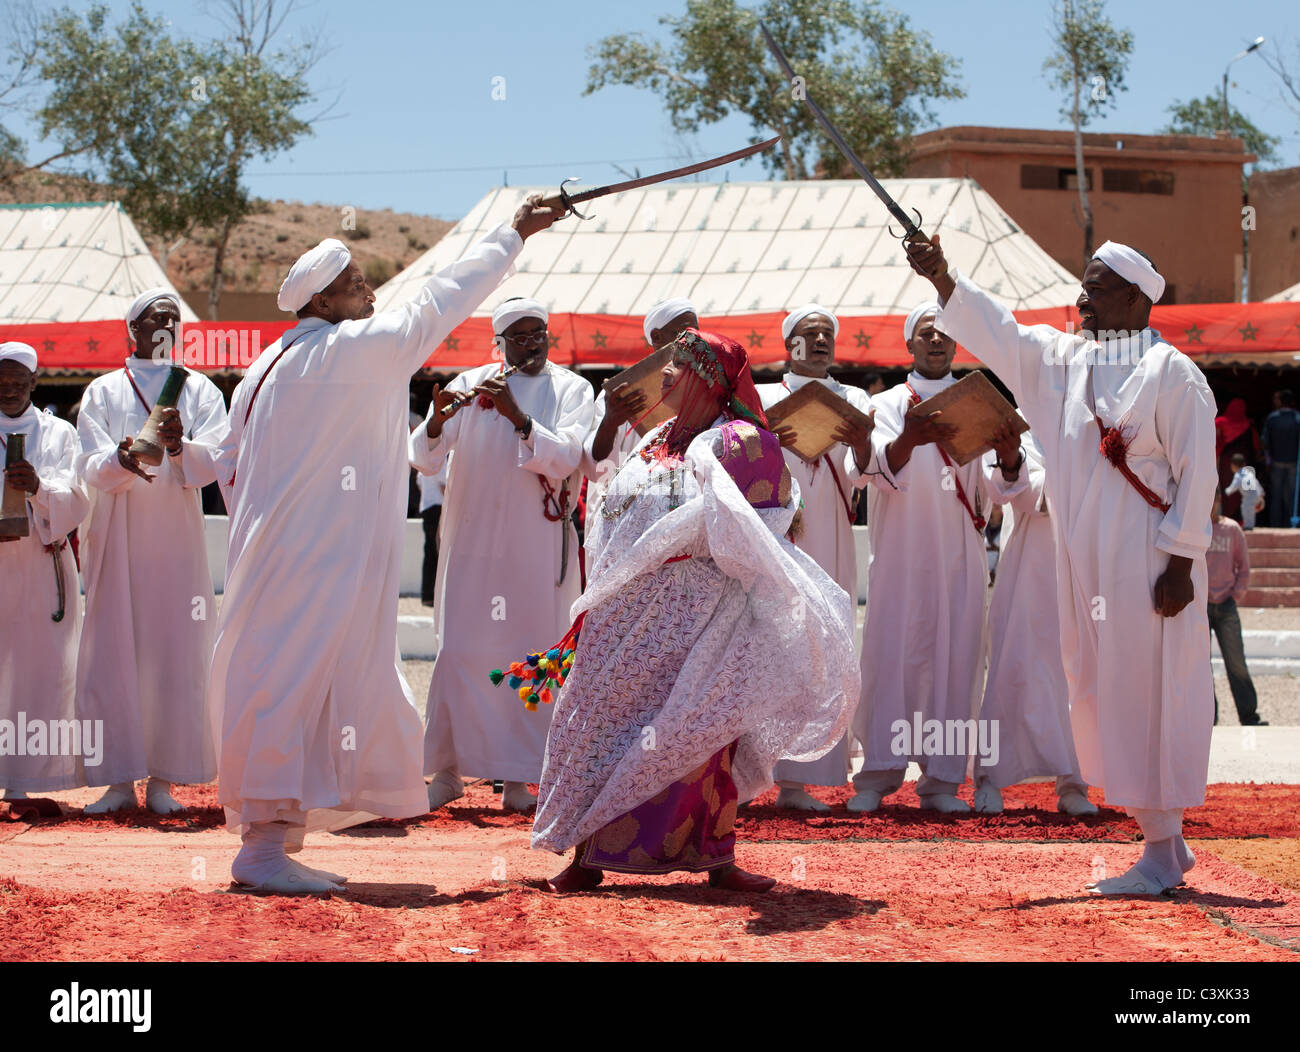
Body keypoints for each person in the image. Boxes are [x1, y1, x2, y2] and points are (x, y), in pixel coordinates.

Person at [210, 196, 558, 894]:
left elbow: (227, 466)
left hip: (276, 553)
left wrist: (273, 519)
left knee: (294, 682)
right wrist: (513, 232)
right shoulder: (351, 348)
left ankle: (274, 839)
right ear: (326, 301)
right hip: (309, 557)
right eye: (357, 283)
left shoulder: (262, 369)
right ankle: (261, 852)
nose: (371, 291)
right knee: (288, 685)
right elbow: (439, 298)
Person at [905, 235, 1216, 895]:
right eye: (1085, 283)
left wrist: (1183, 564)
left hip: (1150, 564)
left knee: (1150, 695)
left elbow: (1198, 475)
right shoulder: (1066, 360)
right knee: (1106, 691)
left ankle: (1159, 854)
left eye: (1098, 286)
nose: (1083, 298)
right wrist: (943, 279)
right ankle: (1167, 840)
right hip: (1086, 563)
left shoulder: (1173, 372)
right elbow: (1003, 332)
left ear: (1135, 297)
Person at [533, 329, 858, 892]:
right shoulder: (652, 438)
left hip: (702, 609)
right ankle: (589, 857)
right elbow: (608, 517)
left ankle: (714, 857)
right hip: (627, 612)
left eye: (676, 366)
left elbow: (775, 521)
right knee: (607, 724)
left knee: (698, 730)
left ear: (706, 379)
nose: (661, 375)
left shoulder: (738, 440)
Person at [414, 297, 595, 814]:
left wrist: (517, 415)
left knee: (532, 657)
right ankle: (447, 771)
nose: (533, 342)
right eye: (520, 335)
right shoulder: (469, 384)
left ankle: (520, 780)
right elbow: (424, 460)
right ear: (500, 344)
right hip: (472, 543)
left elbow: (566, 459)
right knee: (462, 651)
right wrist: (433, 423)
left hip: (537, 549)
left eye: (539, 332)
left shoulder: (572, 389)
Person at [846, 303, 1025, 815]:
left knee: (956, 660)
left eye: (946, 334)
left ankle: (942, 780)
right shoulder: (883, 407)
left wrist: (1010, 456)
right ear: (910, 344)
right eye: (927, 334)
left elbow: (1000, 486)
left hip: (959, 558)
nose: (938, 341)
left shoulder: (979, 402)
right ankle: (878, 774)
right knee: (889, 657)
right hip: (900, 557)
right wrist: (910, 438)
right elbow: (871, 473)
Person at [74, 290, 229, 815]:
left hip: (176, 544)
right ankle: (118, 781)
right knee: (114, 652)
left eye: (173, 318)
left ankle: (165, 780)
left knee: (172, 653)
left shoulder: (200, 389)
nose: (166, 324)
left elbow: (216, 464)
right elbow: (88, 466)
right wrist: (119, 458)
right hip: (117, 536)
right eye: (155, 318)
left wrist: (183, 446)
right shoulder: (103, 390)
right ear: (132, 329)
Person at [755, 303, 874, 811]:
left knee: (825, 647)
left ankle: (802, 781)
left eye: (828, 333)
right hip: (776, 536)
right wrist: (764, 441)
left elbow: (864, 475)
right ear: (789, 344)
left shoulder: (856, 398)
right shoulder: (761, 398)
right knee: (771, 647)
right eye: (810, 333)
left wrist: (864, 442)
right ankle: (753, 774)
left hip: (829, 537)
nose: (821, 340)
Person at [974, 425, 1097, 816]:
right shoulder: (1016, 422)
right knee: (1014, 670)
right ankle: (988, 778)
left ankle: (1074, 784)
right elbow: (1012, 494)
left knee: (1078, 676)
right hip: (1029, 570)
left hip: (1082, 568)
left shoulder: (1094, 420)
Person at [0, 343, 90, 801]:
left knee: (40, 671)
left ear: (35, 382)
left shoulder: (59, 432)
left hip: (40, 565)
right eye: (2, 379)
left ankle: (26, 783)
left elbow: (77, 499)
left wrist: (38, 488)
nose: (9, 387)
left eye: (19, 380)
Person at [583, 298, 698, 525]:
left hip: (683, 512)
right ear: (656, 337)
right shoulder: (621, 391)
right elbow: (596, 468)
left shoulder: (704, 387)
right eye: (684, 332)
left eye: (696, 332)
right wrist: (610, 421)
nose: (692, 339)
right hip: (626, 513)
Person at [1207, 490, 1266, 726]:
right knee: (1201, 667)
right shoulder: (1196, 530)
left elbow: (1243, 566)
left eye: (1212, 498)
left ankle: (1248, 714)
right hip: (1200, 606)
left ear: (1219, 500)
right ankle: (1208, 718)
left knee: (1236, 662)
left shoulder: (1231, 529)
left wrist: (1235, 595)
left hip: (1226, 607)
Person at [1214, 398, 1258, 524]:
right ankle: (1241, 519)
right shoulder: (1249, 425)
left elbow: (1213, 440)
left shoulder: (1220, 422)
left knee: (1226, 487)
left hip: (1225, 463)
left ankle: (1226, 516)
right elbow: (1256, 446)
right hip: (1243, 463)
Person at [1261, 389, 1299, 527]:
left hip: (1276, 462)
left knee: (1276, 495)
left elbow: (1265, 441)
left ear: (1280, 401)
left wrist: (1268, 460)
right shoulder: (1297, 418)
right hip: (1294, 462)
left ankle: (1275, 524)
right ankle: (1290, 524)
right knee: (1291, 496)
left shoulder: (1272, 418)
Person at [417, 454, 447, 607]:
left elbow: (419, 483)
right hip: (438, 508)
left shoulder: (424, 461)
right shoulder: (440, 461)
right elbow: (444, 487)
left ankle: (427, 594)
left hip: (427, 508)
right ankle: (438, 594)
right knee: (439, 551)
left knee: (429, 551)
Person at [1224, 453, 1265, 530]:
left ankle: (1248, 527)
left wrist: (1226, 491)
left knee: (1246, 510)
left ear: (1233, 466)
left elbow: (1233, 487)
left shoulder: (1238, 475)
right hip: (1256, 495)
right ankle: (1250, 525)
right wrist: (1261, 494)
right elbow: (1256, 482)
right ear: (1244, 464)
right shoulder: (1249, 473)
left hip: (1248, 498)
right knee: (1250, 511)